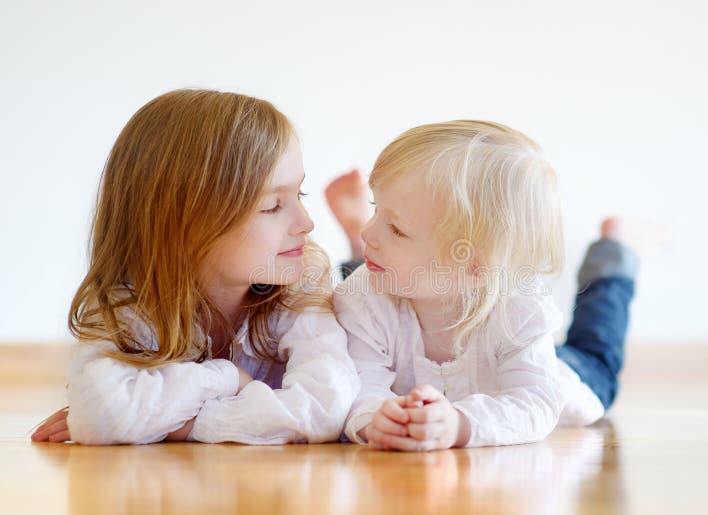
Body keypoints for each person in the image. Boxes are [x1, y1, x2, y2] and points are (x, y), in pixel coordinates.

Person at [31, 89, 359, 445]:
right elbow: (103, 414)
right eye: (271, 205)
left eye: (300, 195)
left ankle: (360, 239)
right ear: (184, 223)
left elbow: (326, 411)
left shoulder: (303, 276)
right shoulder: (128, 297)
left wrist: (182, 425)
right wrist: (228, 378)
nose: (307, 223)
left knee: (369, 296)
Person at [326, 120, 648, 450]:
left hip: (561, 372)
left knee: (596, 348)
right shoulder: (363, 297)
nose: (370, 232)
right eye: (375, 210)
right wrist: (373, 419)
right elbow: (357, 382)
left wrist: (462, 425)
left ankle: (616, 251)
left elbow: (534, 402)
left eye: (396, 229)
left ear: (475, 268)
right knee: (378, 276)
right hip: (468, 333)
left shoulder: (519, 309)